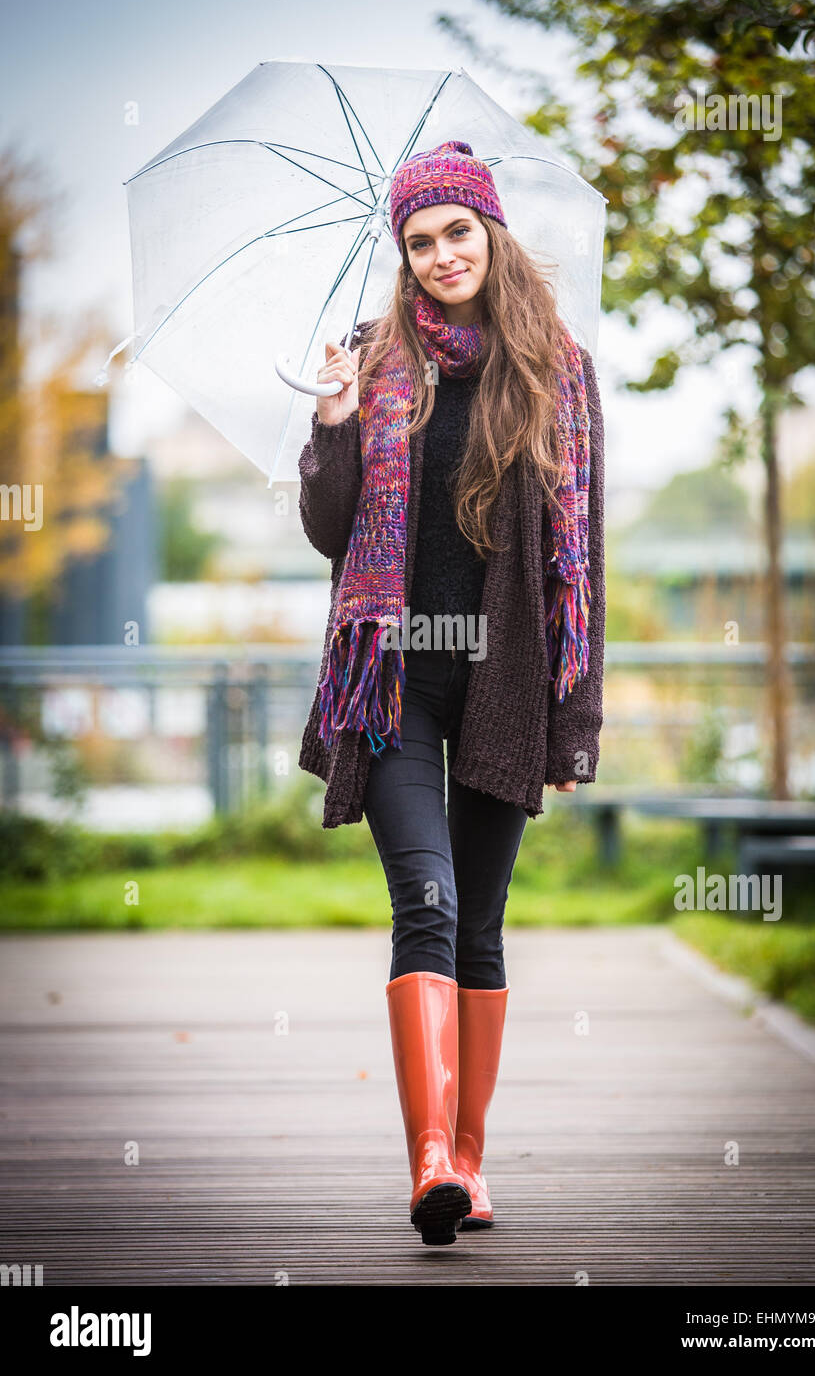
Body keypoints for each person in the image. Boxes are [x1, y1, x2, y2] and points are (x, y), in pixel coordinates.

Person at [297, 140, 605, 1246]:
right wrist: (331, 424)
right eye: (417, 241)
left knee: (479, 921)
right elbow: (331, 531)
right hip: (390, 679)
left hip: (503, 679)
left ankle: (469, 1163)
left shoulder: (557, 370)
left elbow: (585, 561)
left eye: (454, 232)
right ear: (403, 254)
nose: (438, 256)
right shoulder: (374, 363)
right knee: (422, 898)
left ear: (490, 230)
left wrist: (574, 725)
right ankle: (428, 1157)